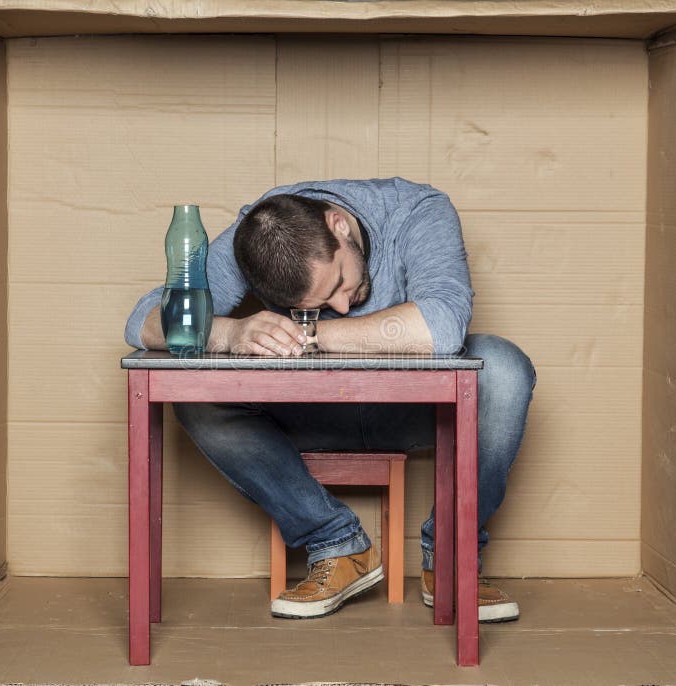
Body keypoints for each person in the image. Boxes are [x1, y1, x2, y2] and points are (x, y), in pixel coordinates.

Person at [124, 177, 536, 622]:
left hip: (413, 408)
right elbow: (140, 322)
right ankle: (338, 544)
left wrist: (310, 332)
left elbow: (444, 325)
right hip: (307, 410)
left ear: (338, 225)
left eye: (340, 280)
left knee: (504, 367)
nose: (342, 305)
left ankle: (452, 557)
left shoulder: (417, 209)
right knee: (197, 394)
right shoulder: (261, 236)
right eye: (318, 305)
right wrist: (231, 332)